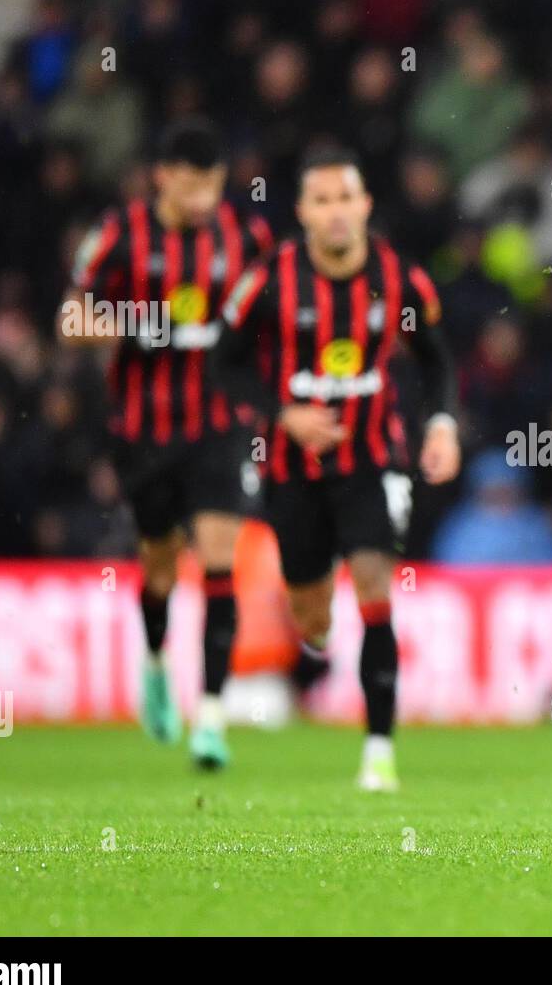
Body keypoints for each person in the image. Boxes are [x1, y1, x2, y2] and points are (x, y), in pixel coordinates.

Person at [214, 147, 460, 792]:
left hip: (374, 455)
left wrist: (440, 424)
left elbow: (437, 361)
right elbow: (225, 362)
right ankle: (316, 639)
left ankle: (379, 750)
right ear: (302, 212)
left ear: (364, 205)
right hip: (291, 466)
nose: (335, 212)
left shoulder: (399, 278)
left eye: (344, 198)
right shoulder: (269, 281)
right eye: (321, 201)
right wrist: (283, 414)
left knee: (375, 584)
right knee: (312, 611)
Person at [62, 116, 273, 769]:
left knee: (217, 558)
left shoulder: (249, 236)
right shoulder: (119, 236)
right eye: (190, 185)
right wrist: (130, 325)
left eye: (212, 184)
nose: (203, 199)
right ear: (162, 178)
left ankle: (211, 716)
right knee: (159, 563)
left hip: (221, 424)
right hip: (144, 429)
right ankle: (155, 663)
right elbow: (72, 318)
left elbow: (271, 313)